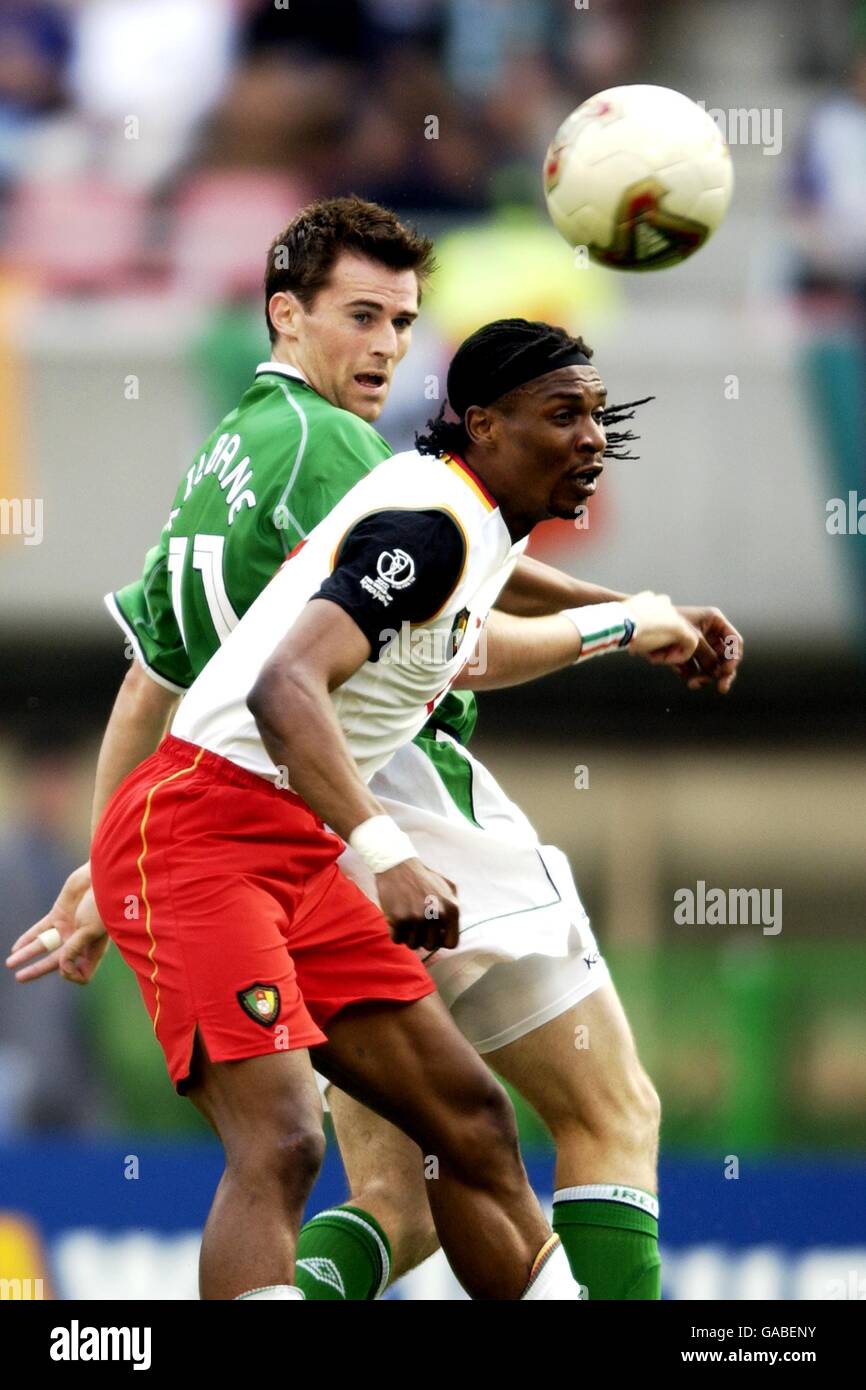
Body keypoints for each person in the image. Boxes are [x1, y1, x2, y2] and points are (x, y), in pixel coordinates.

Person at [8, 197, 742, 1300]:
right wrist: (382, 841)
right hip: (340, 806)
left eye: (403, 322)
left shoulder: (234, 456)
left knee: (428, 1170)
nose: (387, 347)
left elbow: (149, 682)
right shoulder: (343, 450)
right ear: (283, 316)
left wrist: (108, 861)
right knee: (544, 1114)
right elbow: (337, 666)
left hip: (285, 831)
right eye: (363, 316)